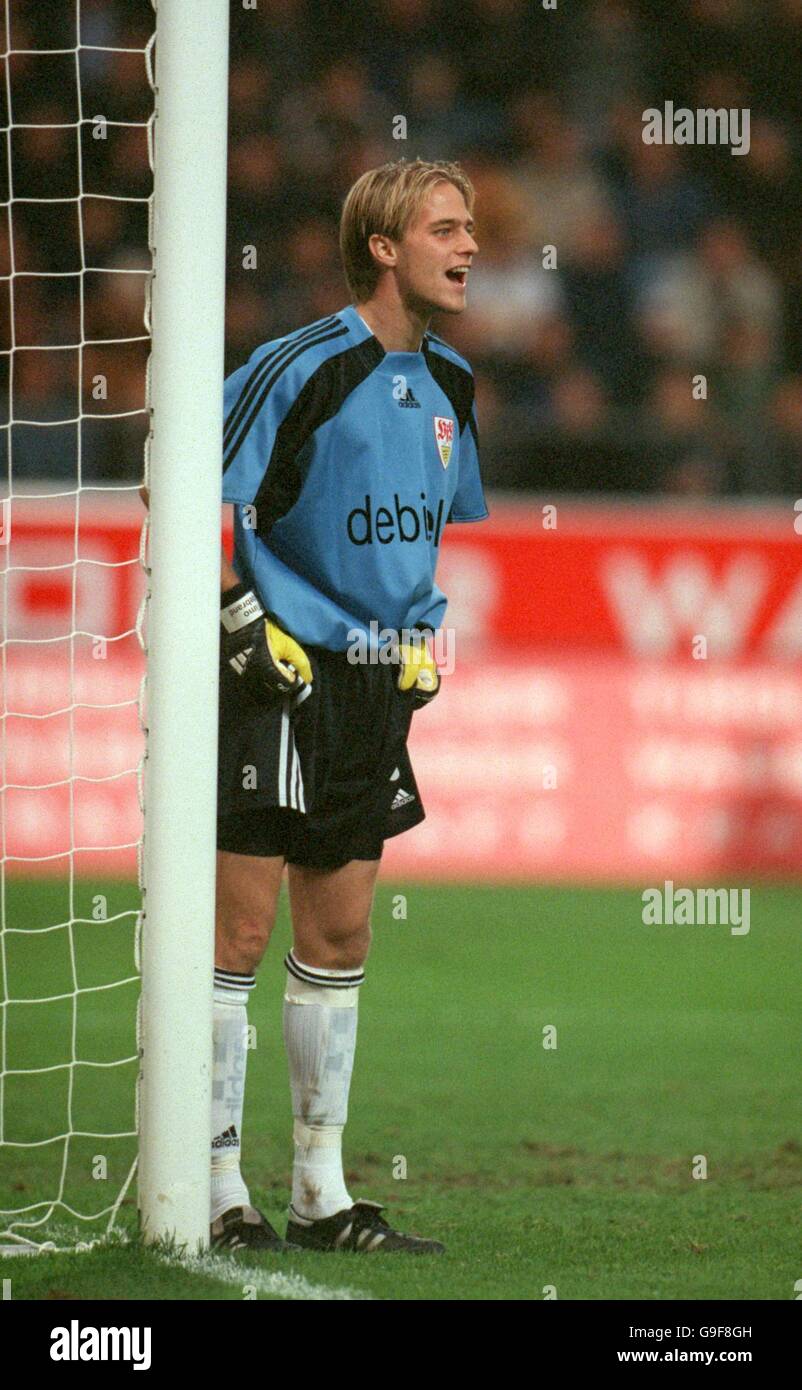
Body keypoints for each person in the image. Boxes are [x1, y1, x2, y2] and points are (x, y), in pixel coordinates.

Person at [212, 158, 487, 1254]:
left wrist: (417, 636)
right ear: (383, 247)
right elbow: (188, 489)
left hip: (372, 683)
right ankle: (216, 1182)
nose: (469, 248)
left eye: (470, 230)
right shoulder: (298, 365)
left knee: (339, 931)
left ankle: (319, 1193)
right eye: (446, 229)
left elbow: (418, 534)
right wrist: (240, 617)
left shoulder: (453, 385)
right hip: (275, 670)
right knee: (236, 928)